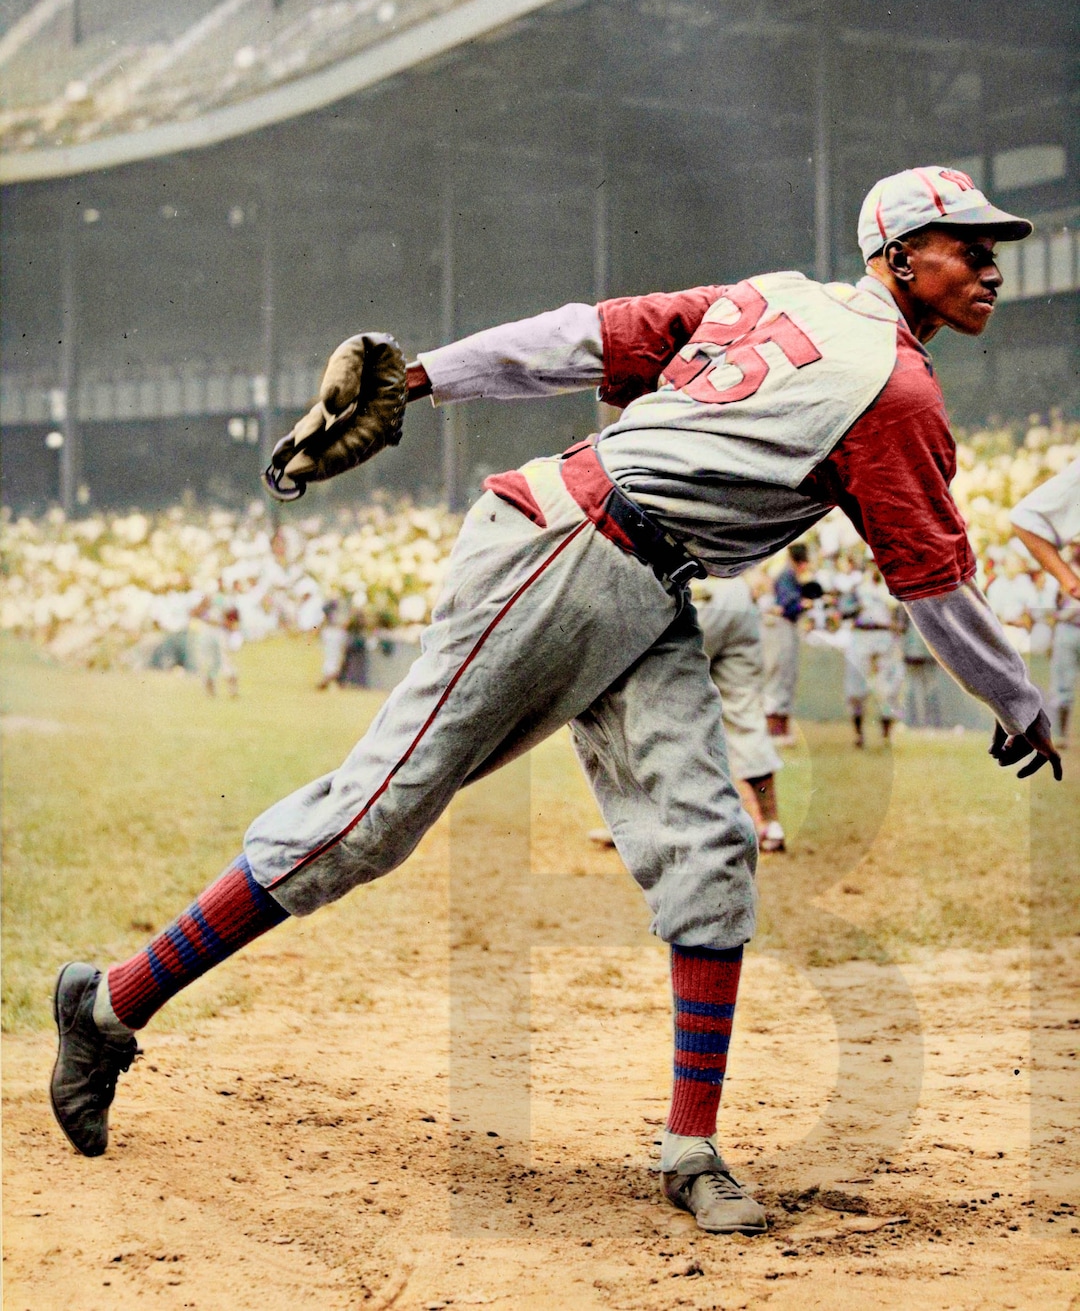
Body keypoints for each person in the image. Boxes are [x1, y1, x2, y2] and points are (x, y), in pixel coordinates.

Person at [50, 165, 1061, 1240]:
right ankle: (109, 1002)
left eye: (994, 246)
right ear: (898, 256)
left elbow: (588, 337)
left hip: (646, 582)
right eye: (966, 243)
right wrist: (1017, 700)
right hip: (566, 550)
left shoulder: (776, 294)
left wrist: (427, 376)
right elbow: (935, 584)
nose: (992, 264)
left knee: (711, 848)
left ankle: (690, 1147)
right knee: (368, 818)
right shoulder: (894, 390)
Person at [698, 578, 786, 852]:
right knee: (746, 715)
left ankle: (641, 825)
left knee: (655, 703)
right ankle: (772, 825)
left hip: (696, 591)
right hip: (738, 593)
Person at [1011, 456, 1080, 747]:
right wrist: (1070, 580)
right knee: (1062, 687)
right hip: (1070, 627)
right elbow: (1025, 518)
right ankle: (1061, 734)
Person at [844, 564, 905, 746]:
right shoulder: (857, 588)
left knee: (888, 686)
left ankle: (886, 734)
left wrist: (899, 625)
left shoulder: (894, 585)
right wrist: (856, 605)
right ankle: (858, 734)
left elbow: (903, 617)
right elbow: (845, 610)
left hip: (885, 635)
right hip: (862, 634)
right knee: (856, 686)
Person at [762, 543, 813, 742]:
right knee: (780, 674)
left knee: (785, 675)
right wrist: (803, 603)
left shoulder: (789, 575)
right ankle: (775, 731)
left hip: (785, 626)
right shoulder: (785, 575)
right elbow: (786, 605)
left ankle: (780, 730)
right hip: (780, 626)